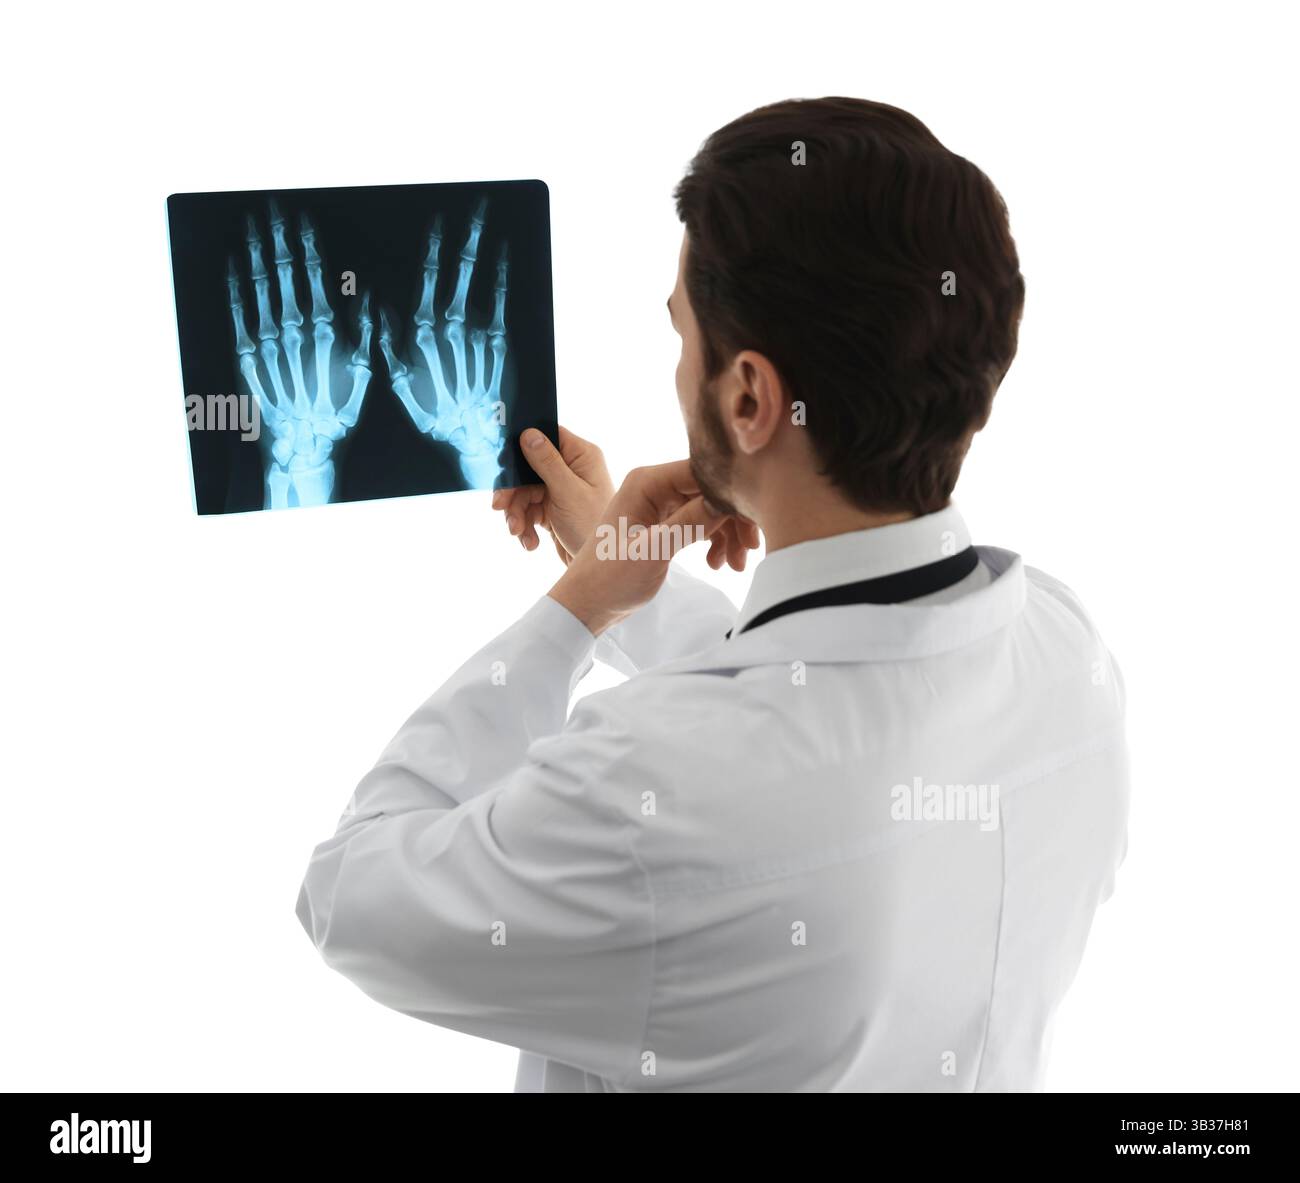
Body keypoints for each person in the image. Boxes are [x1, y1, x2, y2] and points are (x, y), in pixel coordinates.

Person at [294, 97, 1129, 1092]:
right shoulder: (1065, 654)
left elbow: (351, 897)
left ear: (746, 397)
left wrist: (575, 611)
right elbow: (823, 708)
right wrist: (624, 573)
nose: (677, 361)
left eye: (680, 333)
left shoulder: (645, 787)